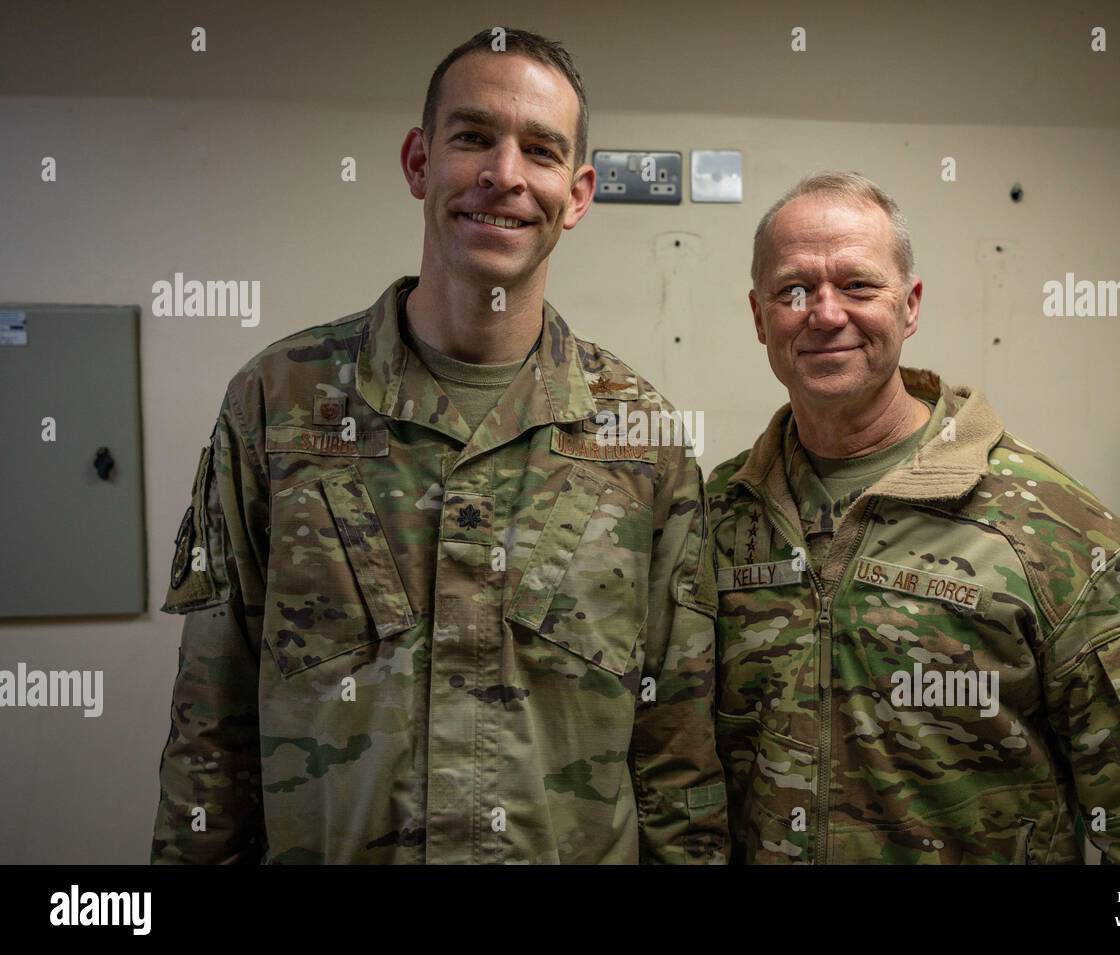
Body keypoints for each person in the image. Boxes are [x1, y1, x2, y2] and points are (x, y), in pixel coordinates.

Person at [151, 27, 727, 864]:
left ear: (577, 193)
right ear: (419, 162)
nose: (505, 174)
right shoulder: (279, 404)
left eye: (540, 150)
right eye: (473, 137)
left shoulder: (641, 439)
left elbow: (677, 749)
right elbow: (212, 725)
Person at [706, 171, 1120, 864]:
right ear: (758, 314)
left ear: (910, 305)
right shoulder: (715, 516)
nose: (825, 313)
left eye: (859, 286)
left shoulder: (1058, 529)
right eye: (793, 289)